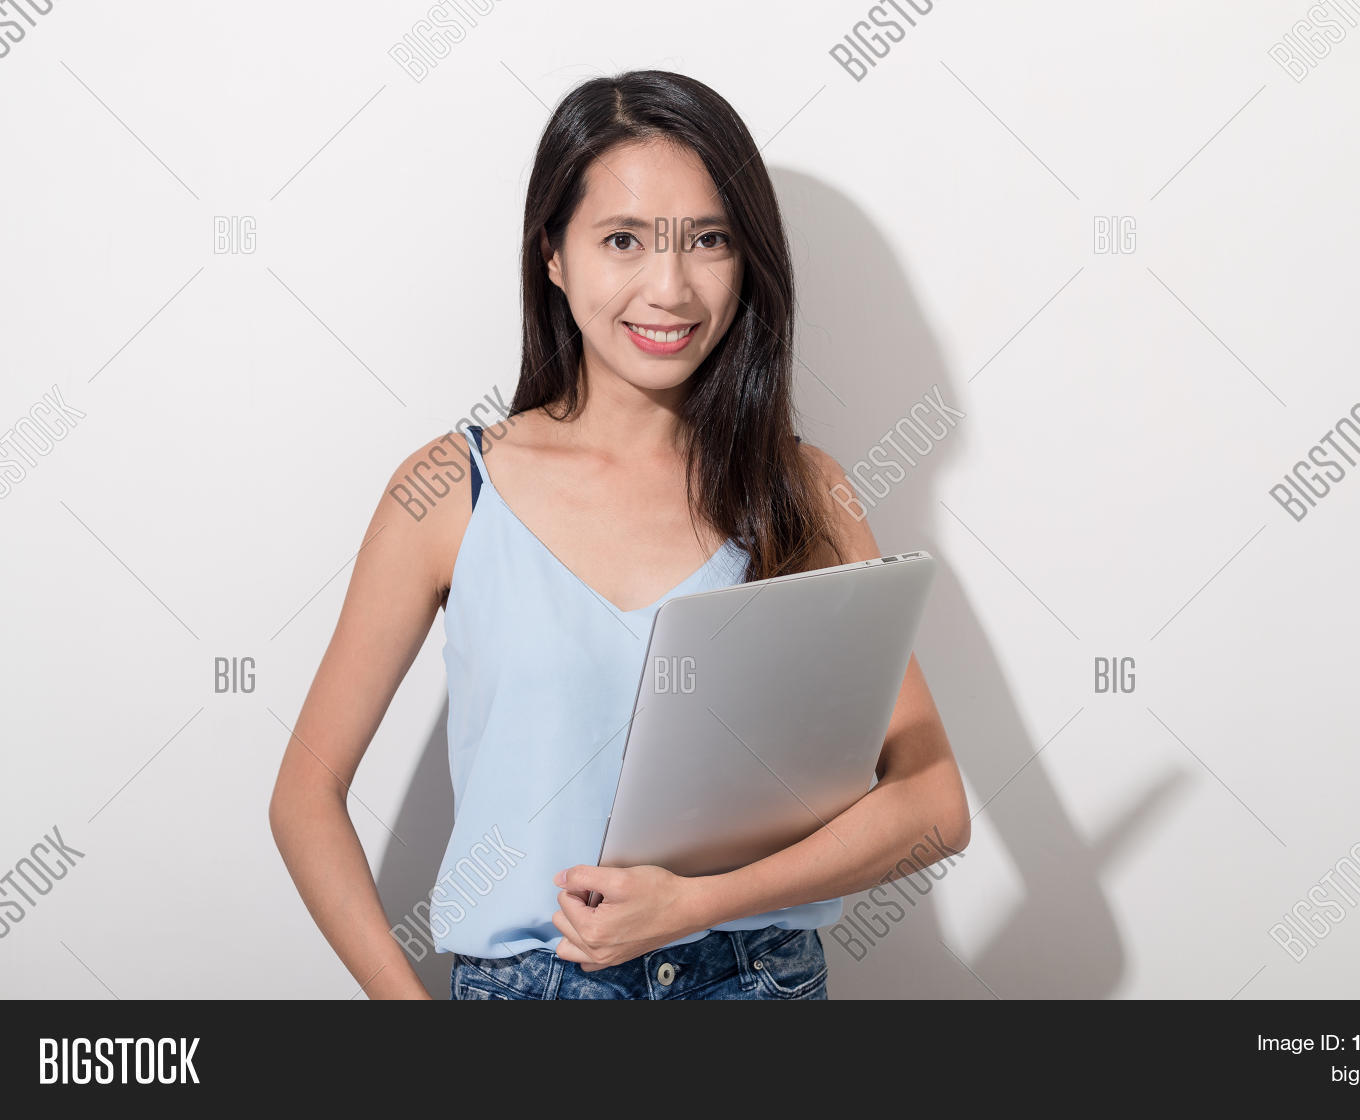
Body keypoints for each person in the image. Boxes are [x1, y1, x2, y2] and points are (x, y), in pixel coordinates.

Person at [269, 69, 969, 999]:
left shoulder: (801, 490)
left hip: (754, 980)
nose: (669, 289)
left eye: (709, 240)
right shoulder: (449, 492)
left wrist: (699, 903)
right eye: (623, 240)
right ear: (553, 256)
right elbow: (305, 798)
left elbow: (932, 805)